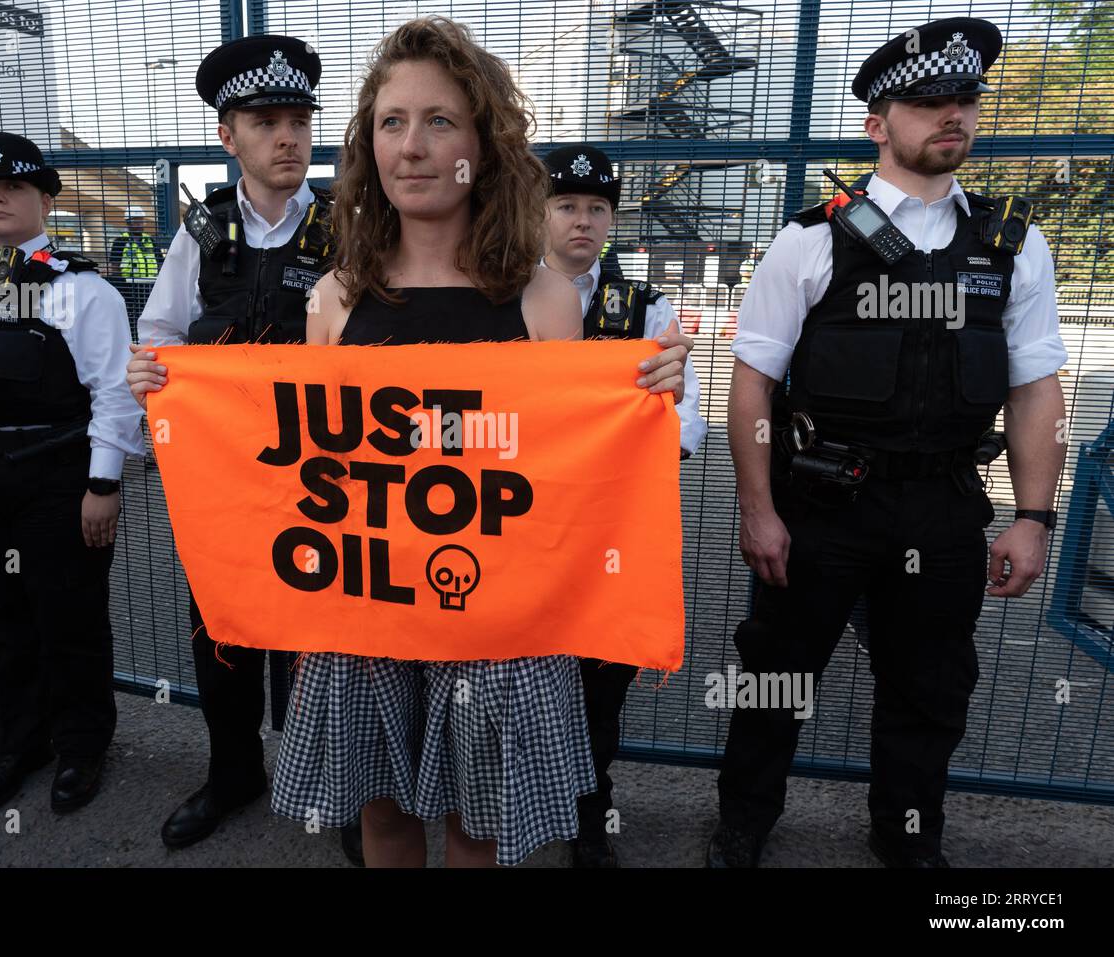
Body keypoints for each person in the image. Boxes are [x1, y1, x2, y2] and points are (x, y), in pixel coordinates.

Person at [270, 15, 695, 868]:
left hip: (502, 615)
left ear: (482, 143)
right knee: (383, 812)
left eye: (440, 121)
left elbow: (570, 470)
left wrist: (645, 400)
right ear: (367, 145)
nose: (414, 147)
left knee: (480, 820)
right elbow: (316, 461)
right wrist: (172, 396)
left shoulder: (543, 301)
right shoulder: (334, 299)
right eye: (392, 122)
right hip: (371, 609)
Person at [709, 17, 1068, 868]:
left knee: (929, 687)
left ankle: (908, 835)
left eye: (965, 99)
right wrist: (758, 510)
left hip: (942, 507)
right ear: (878, 123)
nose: (953, 114)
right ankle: (743, 821)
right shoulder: (810, 239)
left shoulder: (1013, 247)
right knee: (776, 679)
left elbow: (1034, 389)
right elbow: (752, 385)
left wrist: (1035, 517)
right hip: (823, 501)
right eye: (927, 100)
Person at [123, 35, 359, 856]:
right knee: (221, 635)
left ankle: (335, 781)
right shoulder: (202, 234)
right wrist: (152, 375)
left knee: (325, 638)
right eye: (266, 122)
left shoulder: (347, 230)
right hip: (221, 486)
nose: (288, 137)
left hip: (323, 484)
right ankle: (234, 773)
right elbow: (156, 335)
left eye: (298, 120)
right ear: (230, 138)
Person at [0, 131, 143, 813]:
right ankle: (20, 741)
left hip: (55, 480)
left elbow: (115, 394)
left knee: (68, 616)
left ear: (45, 198)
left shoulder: (82, 290)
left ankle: (81, 744)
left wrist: (103, 485)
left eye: (11, 187)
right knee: (0, 619)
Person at [540, 142, 708, 867]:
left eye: (597, 209)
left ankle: (589, 809)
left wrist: (662, 402)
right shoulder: (499, 296)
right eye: (567, 206)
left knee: (599, 683)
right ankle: (499, 799)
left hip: (610, 531)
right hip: (523, 526)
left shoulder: (646, 307)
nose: (583, 222)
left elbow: (689, 424)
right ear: (540, 213)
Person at [109, 207, 164, 280]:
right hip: (130, 287)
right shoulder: (120, 241)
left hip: (151, 285)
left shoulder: (150, 240)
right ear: (128, 223)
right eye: (136, 222)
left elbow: (160, 264)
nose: (140, 225)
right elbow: (115, 268)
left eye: (141, 222)